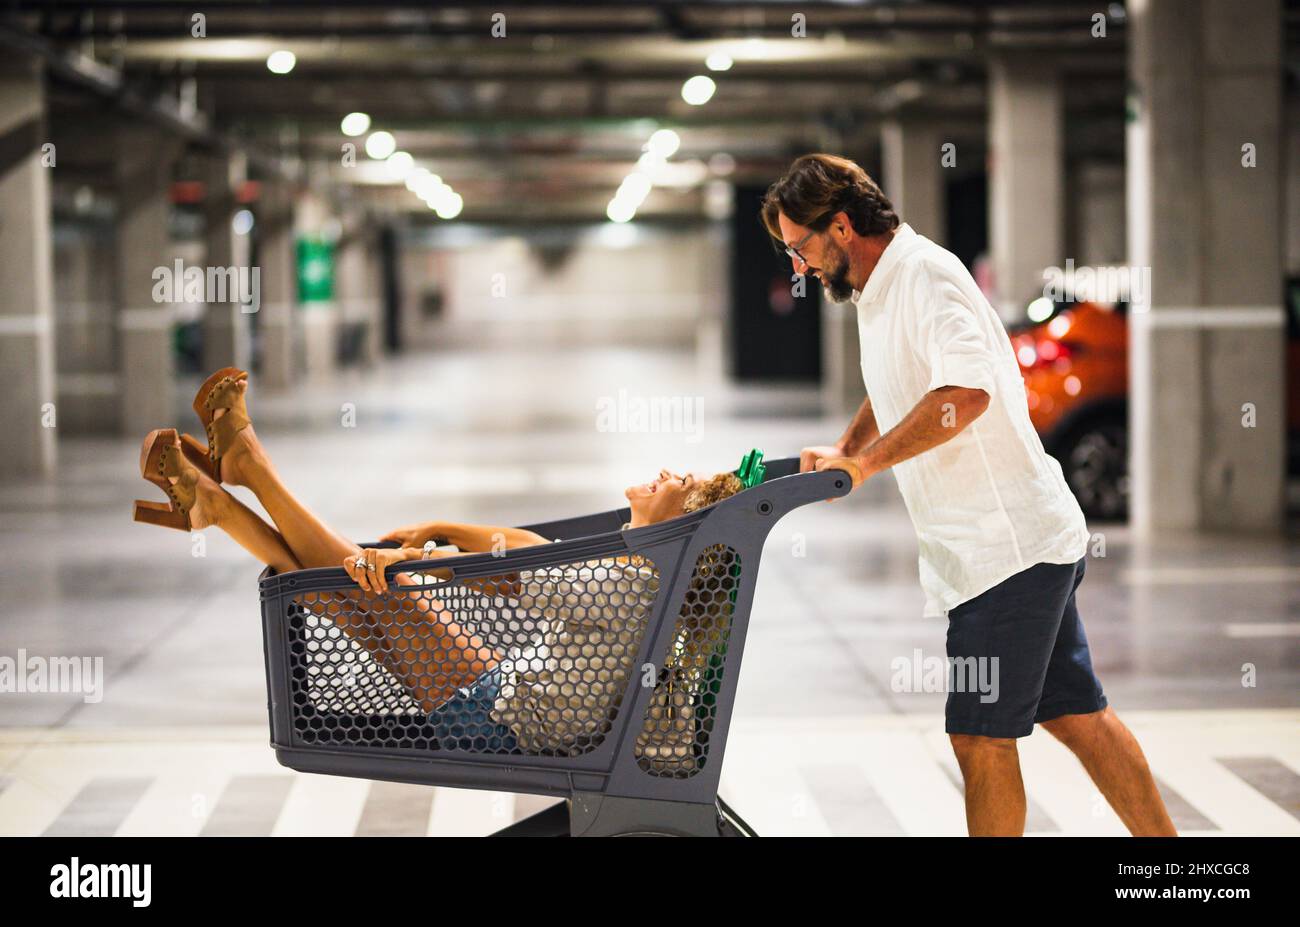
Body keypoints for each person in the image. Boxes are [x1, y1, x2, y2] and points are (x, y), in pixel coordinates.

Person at [762, 154, 1176, 837]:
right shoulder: (878, 287)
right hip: (1014, 543)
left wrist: (867, 466)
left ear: (839, 226)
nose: (799, 268)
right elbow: (898, 377)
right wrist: (849, 447)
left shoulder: (925, 274)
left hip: (1004, 551)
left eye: (800, 248)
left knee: (980, 737)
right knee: (1078, 716)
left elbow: (965, 394)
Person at [133, 368, 743, 759]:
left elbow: (506, 574)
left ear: (681, 524)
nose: (669, 471)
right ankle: (220, 506)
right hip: (509, 700)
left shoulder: (631, 582)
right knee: (360, 599)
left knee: (381, 591)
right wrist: (443, 531)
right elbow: (528, 550)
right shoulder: (629, 570)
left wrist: (416, 558)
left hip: (497, 722)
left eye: (682, 483)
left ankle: (249, 471)